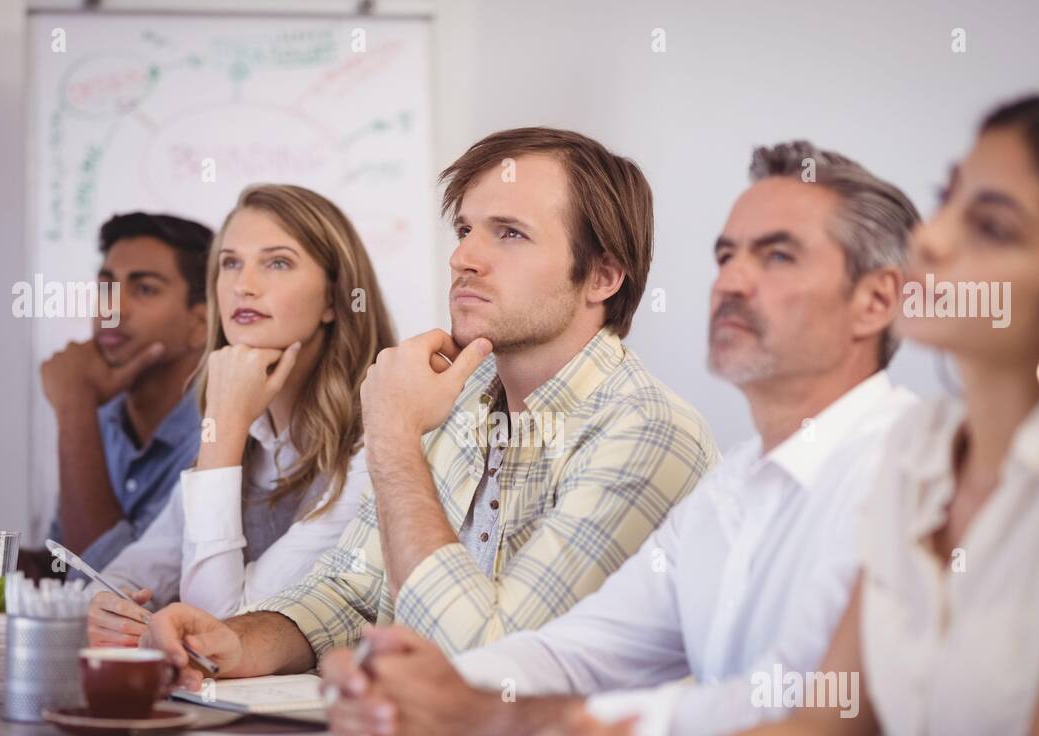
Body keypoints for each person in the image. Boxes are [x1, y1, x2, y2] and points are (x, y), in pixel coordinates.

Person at [501, 94, 1039, 736]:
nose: (934, 242)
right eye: (948, 201)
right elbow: (819, 735)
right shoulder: (921, 449)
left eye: (992, 227)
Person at [321, 142, 923, 736]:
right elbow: (576, 654)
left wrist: (487, 714)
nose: (731, 281)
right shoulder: (734, 486)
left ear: (876, 301)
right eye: (726, 255)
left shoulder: (906, 470)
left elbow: (788, 709)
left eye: (778, 255)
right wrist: (405, 686)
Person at [142, 128, 718, 688]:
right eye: (465, 229)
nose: (464, 256)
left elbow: (493, 668)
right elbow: (346, 595)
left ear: (602, 276)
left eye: (510, 233)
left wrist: (393, 437)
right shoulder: (461, 399)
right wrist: (235, 642)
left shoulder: (648, 432)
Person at [86, 185, 396, 645]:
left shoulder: (372, 446)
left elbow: (223, 627)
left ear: (334, 300)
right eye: (230, 262)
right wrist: (105, 607)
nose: (243, 285)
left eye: (277, 263)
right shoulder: (246, 424)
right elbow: (133, 568)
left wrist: (223, 431)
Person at [34, 212, 213, 574]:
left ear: (201, 323)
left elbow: (113, 589)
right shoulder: (103, 416)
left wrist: (74, 403)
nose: (112, 308)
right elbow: (64, 562)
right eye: (107, 287)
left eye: (144, 289)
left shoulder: (218, 436)